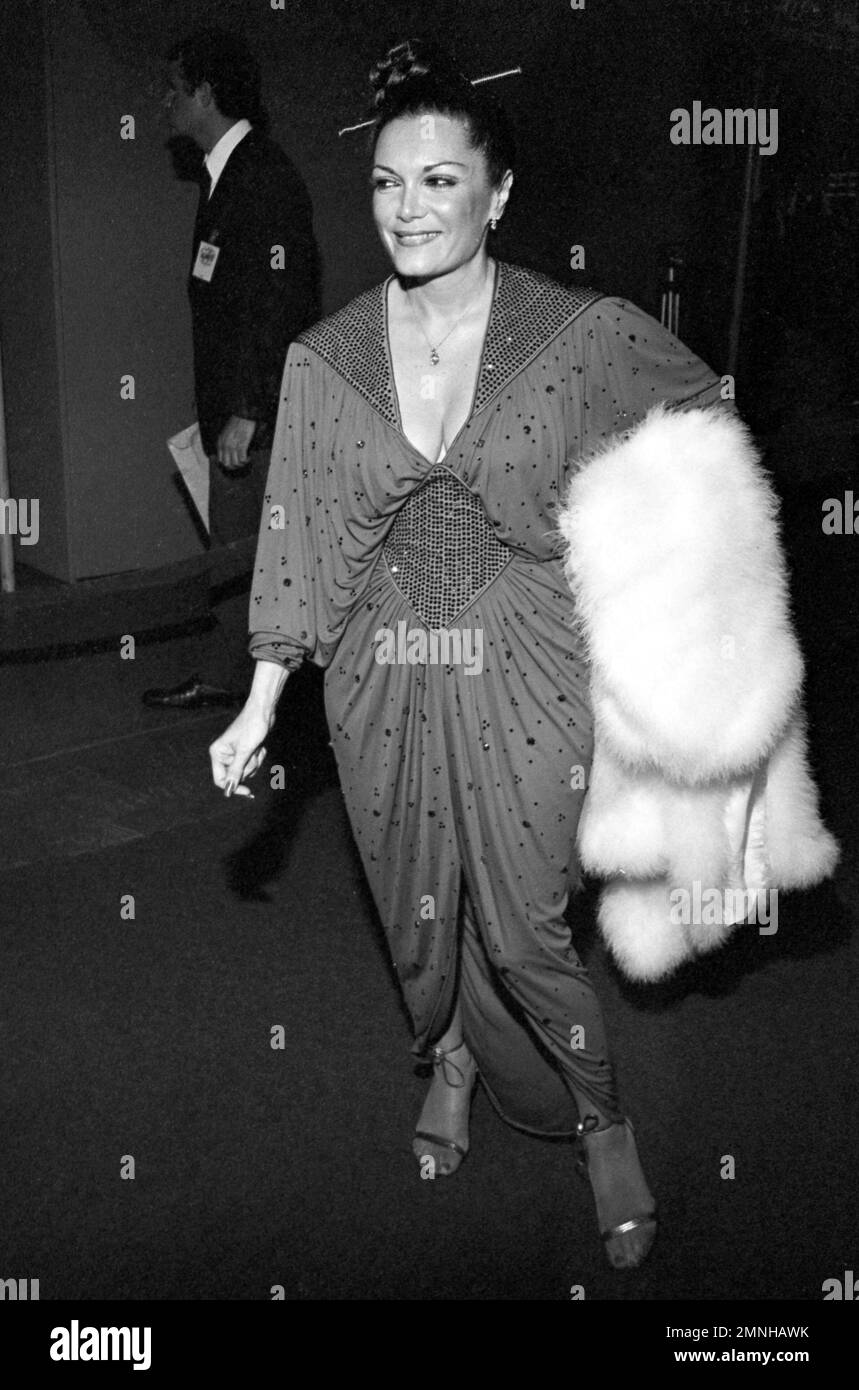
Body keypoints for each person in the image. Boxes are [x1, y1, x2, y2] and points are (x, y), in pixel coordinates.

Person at [209, 40, 729, 1270]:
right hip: (380, 664)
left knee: (524, 917)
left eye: (441, 182)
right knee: (411, 902)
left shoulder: (578, 333)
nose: (409, 208)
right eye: (388, 183)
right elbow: (298, 532)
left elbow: (700, 414)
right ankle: (441, 1058)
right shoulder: (325, 359)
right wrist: (259, 697)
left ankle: (601, 1120)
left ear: (496, 195)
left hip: (530, 656)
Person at [145, 27, 318, 710]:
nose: (163, 102)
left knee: (251, 556)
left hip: (257, 413)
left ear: (205, 93)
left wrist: (250, 407)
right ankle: (234, 679)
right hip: (237, 408)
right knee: (238, 552)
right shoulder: (225, 177)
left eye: (173, 88)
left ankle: (270, 695)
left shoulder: (262, 176)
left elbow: (283, 300)